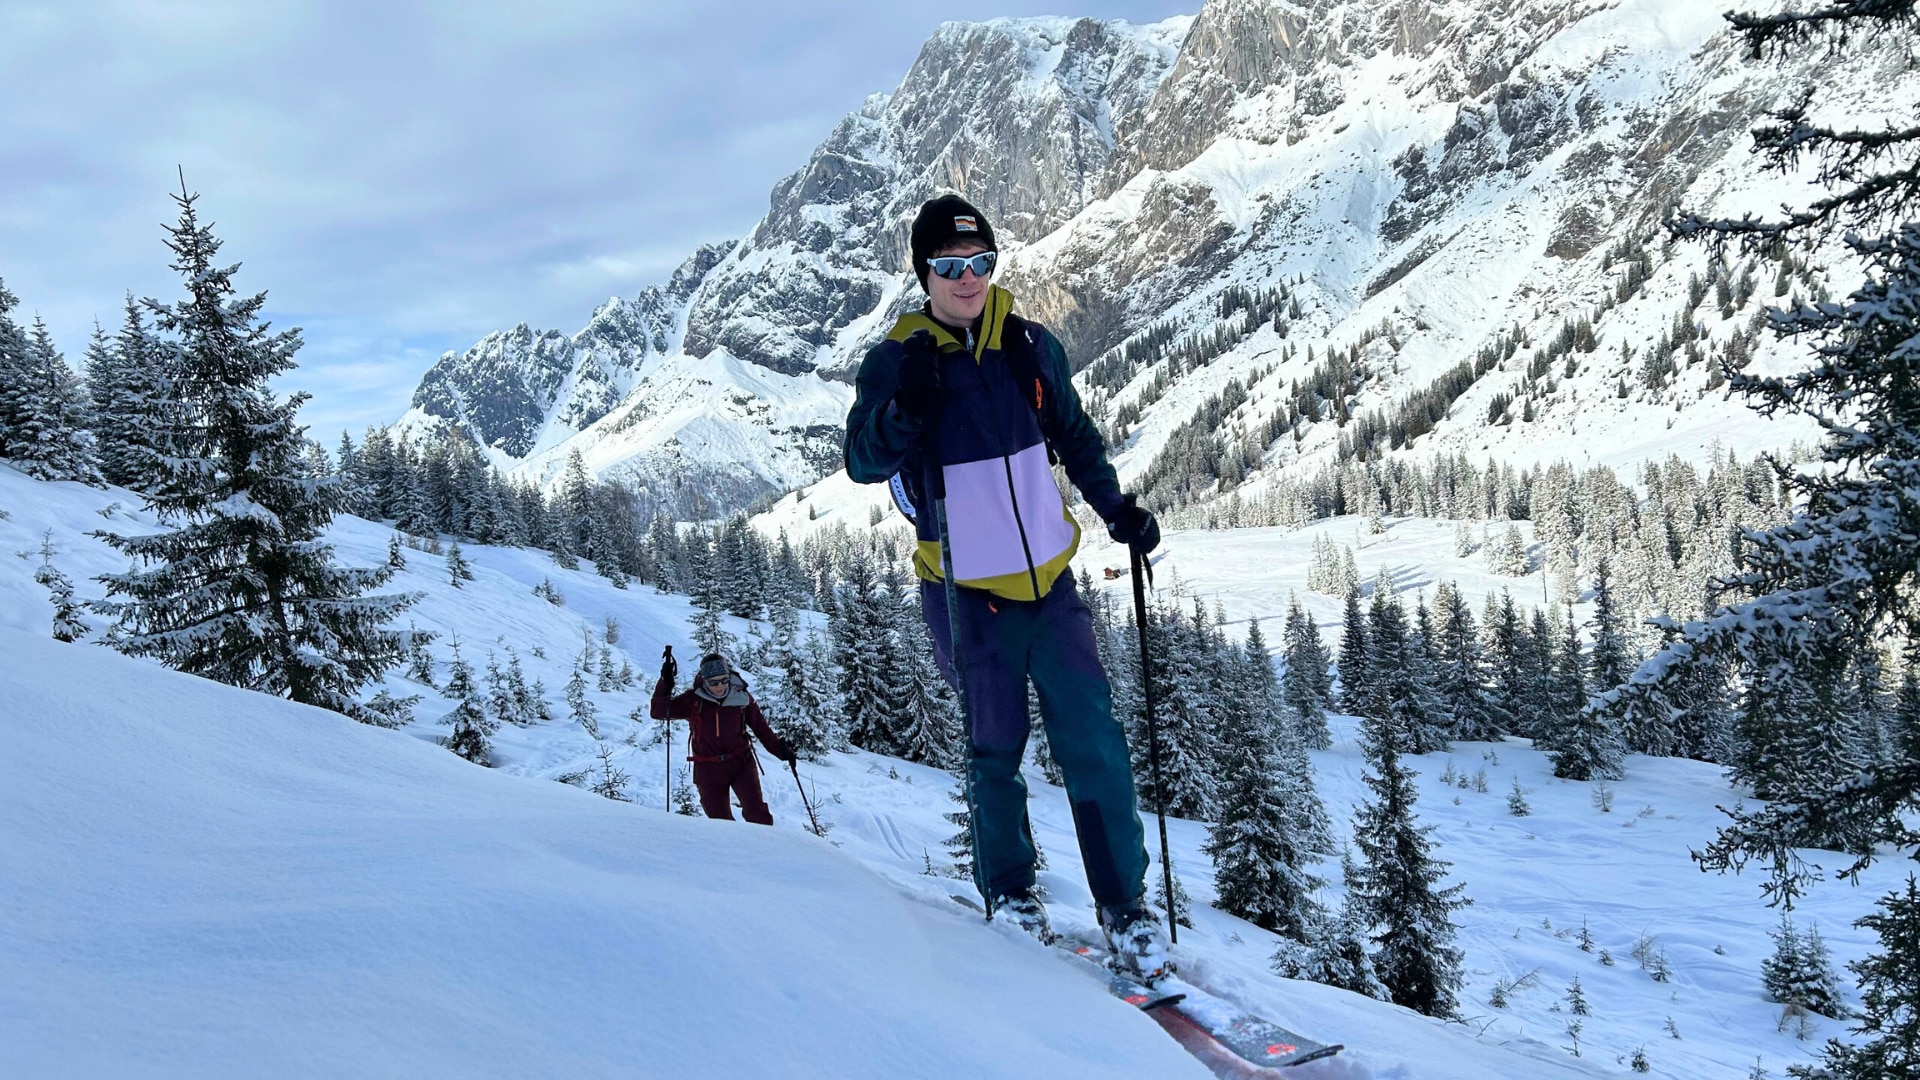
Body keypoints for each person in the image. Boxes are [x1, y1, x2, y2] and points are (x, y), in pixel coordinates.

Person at [843, 193, 1168, 978]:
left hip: (1051, 585)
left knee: (1096, 744)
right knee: (995, 755)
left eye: (980, 262)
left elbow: (1075, 435)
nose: (967, 278)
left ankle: (1125, 910)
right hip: (965, 597)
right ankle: (1014, 895)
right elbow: (861, 460)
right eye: (949, 266)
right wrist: (902, 409)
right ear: (924, 272)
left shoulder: (1028, 346)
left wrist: (1116, 507)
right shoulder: (896, 359)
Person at [651, 650, 796, 826]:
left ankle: (767, 849)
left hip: (741, 762)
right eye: (713, 682)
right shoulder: (694, 700)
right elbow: (659, 712)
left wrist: (781, 751)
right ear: (704, 680)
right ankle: (732, 852)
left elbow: (760, 727)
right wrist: (665, 683)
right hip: (707, 767)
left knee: (757, 814)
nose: (719, 686)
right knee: (720, 822)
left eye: (724, 680)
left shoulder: (741, 697)